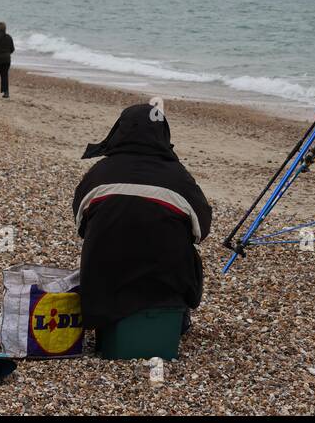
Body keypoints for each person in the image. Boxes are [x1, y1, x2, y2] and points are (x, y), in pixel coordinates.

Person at [72, 103, 212, 333]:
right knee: (185, 249)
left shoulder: (99, 173)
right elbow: (201, 231)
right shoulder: (178, 177)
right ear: (162, 133)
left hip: (103, 289)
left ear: (120, 130)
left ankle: (109, 319)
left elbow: (81, 226)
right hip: (165, 288)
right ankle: (172, 318)